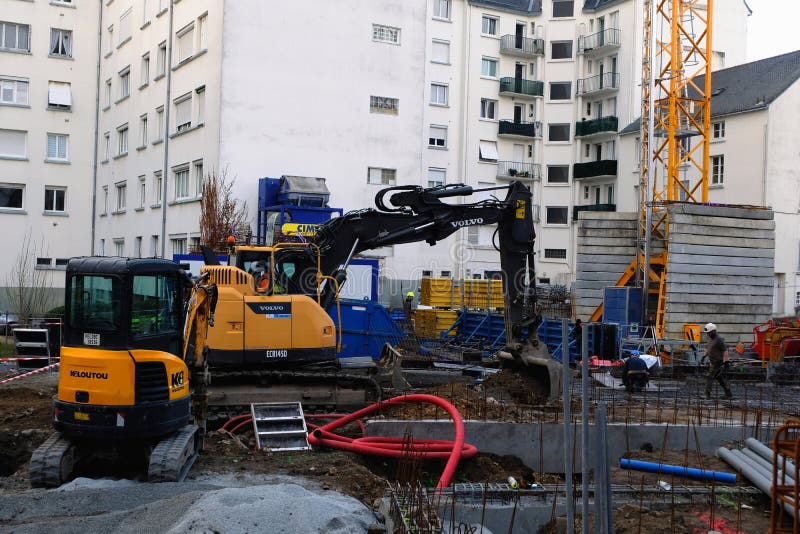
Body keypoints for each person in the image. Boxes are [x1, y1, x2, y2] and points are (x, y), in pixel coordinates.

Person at [701, 322, 733, 399]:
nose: (708, 334)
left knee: (709, 376)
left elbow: (725, 350)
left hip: (717, 362)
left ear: (714, 331)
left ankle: (707, 394)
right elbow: (708, 349)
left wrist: (726, 361)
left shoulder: (719, 339)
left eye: (709, 332)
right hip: (713, 362)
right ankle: (728, 394)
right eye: (707, 333)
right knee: (720, 378)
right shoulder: (710, 339)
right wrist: (703, 356)